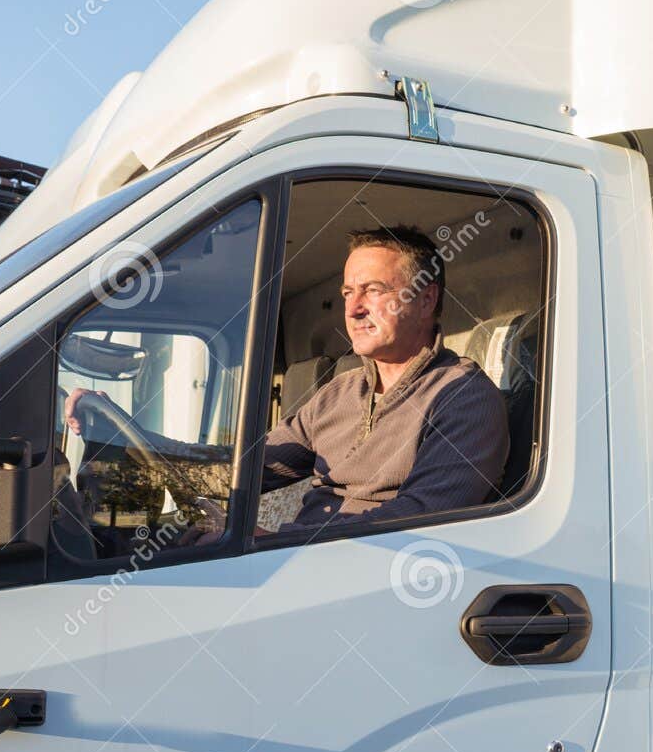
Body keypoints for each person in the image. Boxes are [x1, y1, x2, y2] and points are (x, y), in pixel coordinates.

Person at [64, 224, 509, 538]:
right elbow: (240, 470)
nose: (353, 309)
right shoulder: (340, 393)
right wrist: (131, 434)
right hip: (300, 563)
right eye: (348, 293)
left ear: (426, 298)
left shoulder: (463, 397)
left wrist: (270, 540)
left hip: (367, 587)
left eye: (373, 290)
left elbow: (419, 524)